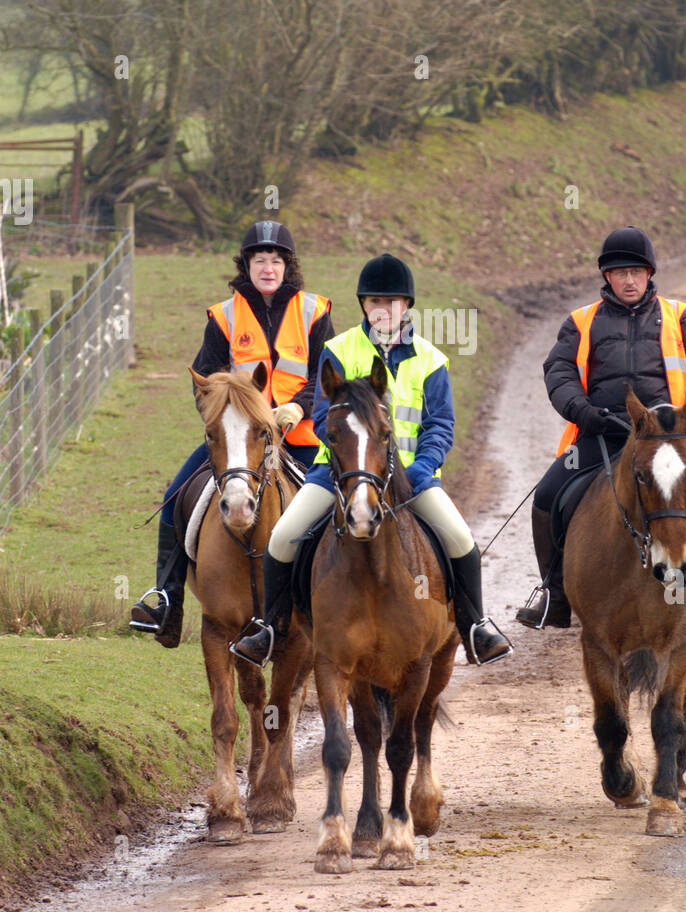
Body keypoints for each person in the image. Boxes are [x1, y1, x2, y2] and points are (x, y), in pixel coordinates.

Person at [230, 253, 513, 668]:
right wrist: (346, 464)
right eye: (377, 302)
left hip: (413, 477)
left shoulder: (431, 360)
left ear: (407, 306)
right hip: (340, 473)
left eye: (394, 302)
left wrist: (421, 467)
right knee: (282, 538)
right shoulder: (338, 349)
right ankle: (270, 628)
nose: (385, 310)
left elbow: (440, 424)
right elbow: (325, 415)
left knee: (462, 542)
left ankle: (475, 627)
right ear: (364, 304)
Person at [518, 225, 686, 629]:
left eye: (636, 272)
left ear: (649, 274)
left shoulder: (680, 316)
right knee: (548, 498)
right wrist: (584, 412)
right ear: (607, 278)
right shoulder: (580, 322)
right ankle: (555, 593)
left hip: (674, 434)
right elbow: (558, 371)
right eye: (620, 273)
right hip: (603, 432)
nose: (629, 279)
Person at [129, 220, 333, 648]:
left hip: (304, 436)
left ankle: (341, 602)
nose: (268, 267)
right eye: (260, 259)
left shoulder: (315, 312)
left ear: (287, 266)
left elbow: (325, 373)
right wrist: (231, 417)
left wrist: (299, 406)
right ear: (247, 265)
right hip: (242, 439)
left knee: (344, 505)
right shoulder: (224, 316)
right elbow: (205, 378)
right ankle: (166, 600)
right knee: (174, 496)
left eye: (276, 260)